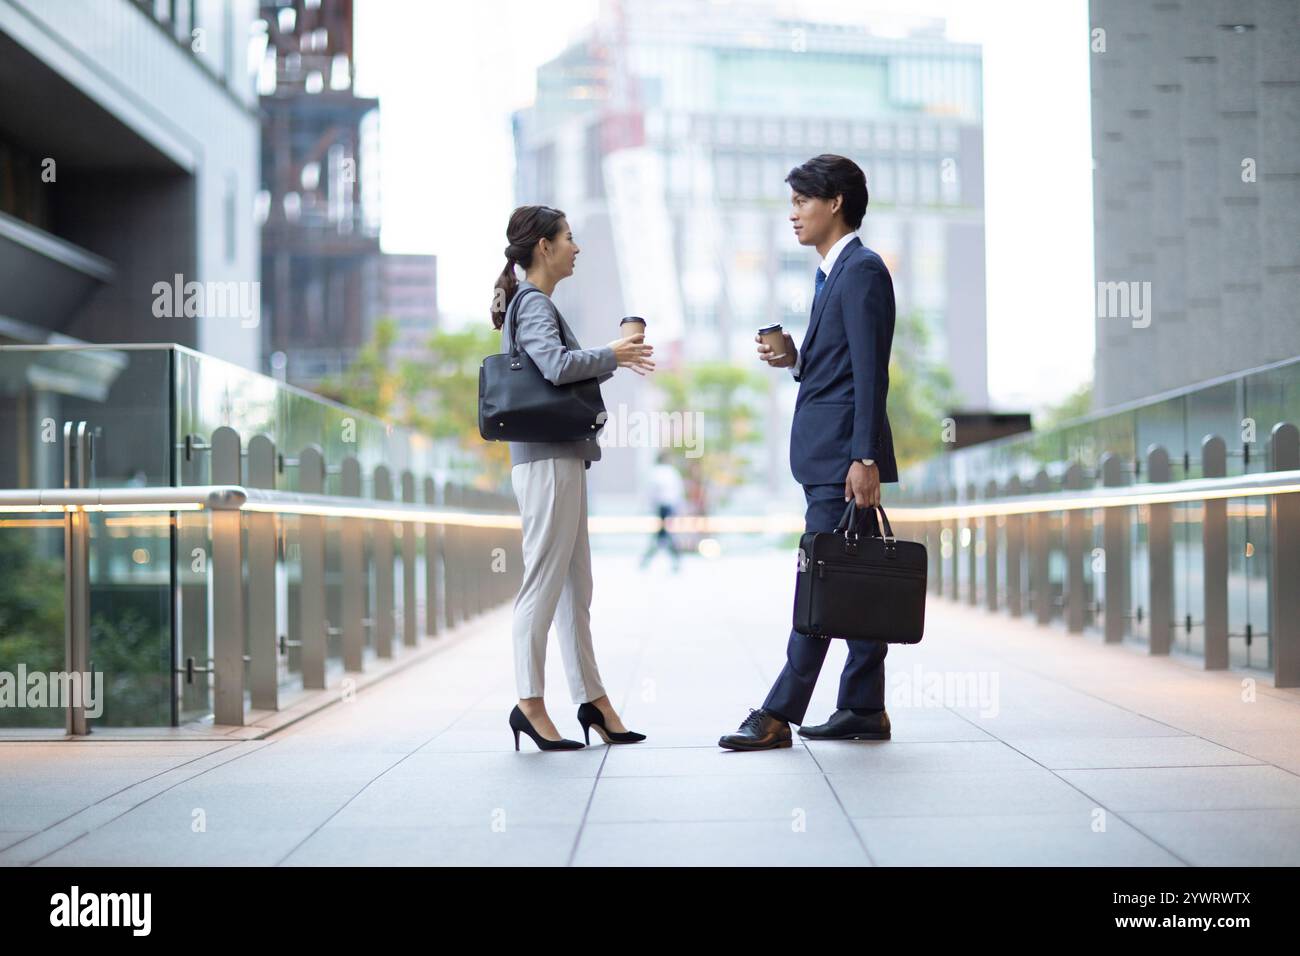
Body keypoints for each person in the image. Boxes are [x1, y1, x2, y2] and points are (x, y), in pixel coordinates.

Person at [719, 154, 899, 751]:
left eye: (802, 201)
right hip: (831, 455)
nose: (793, 214)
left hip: (843, 462)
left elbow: (872, 374)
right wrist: (796, 356)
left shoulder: (863, 270)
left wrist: (865, 459)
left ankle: (777, 712)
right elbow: (843, 366)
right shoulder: (833, 274)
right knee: (857, 577)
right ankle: (863, 707)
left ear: (836, 203)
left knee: (820, 579)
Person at [492, 204, 655, 751]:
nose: (576, 247)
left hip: (557, 458)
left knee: (574, 587)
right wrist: (613, 352)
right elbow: (556, 366)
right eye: (568, 238)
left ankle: (592, 700)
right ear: (544, 246)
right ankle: (529, 703)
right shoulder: (533, 304)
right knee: (543, 584)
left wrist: (614, 356)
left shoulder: (532, 302)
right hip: (546, 461)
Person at [640, 451, 684, 572]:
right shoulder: (672, 472)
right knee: (666, 536)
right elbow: (678, 491)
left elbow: (650, 493)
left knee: (662, 536)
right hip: (670, 507)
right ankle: (675, 561)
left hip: (660, 507)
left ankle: (647, 560)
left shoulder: (654, 473)